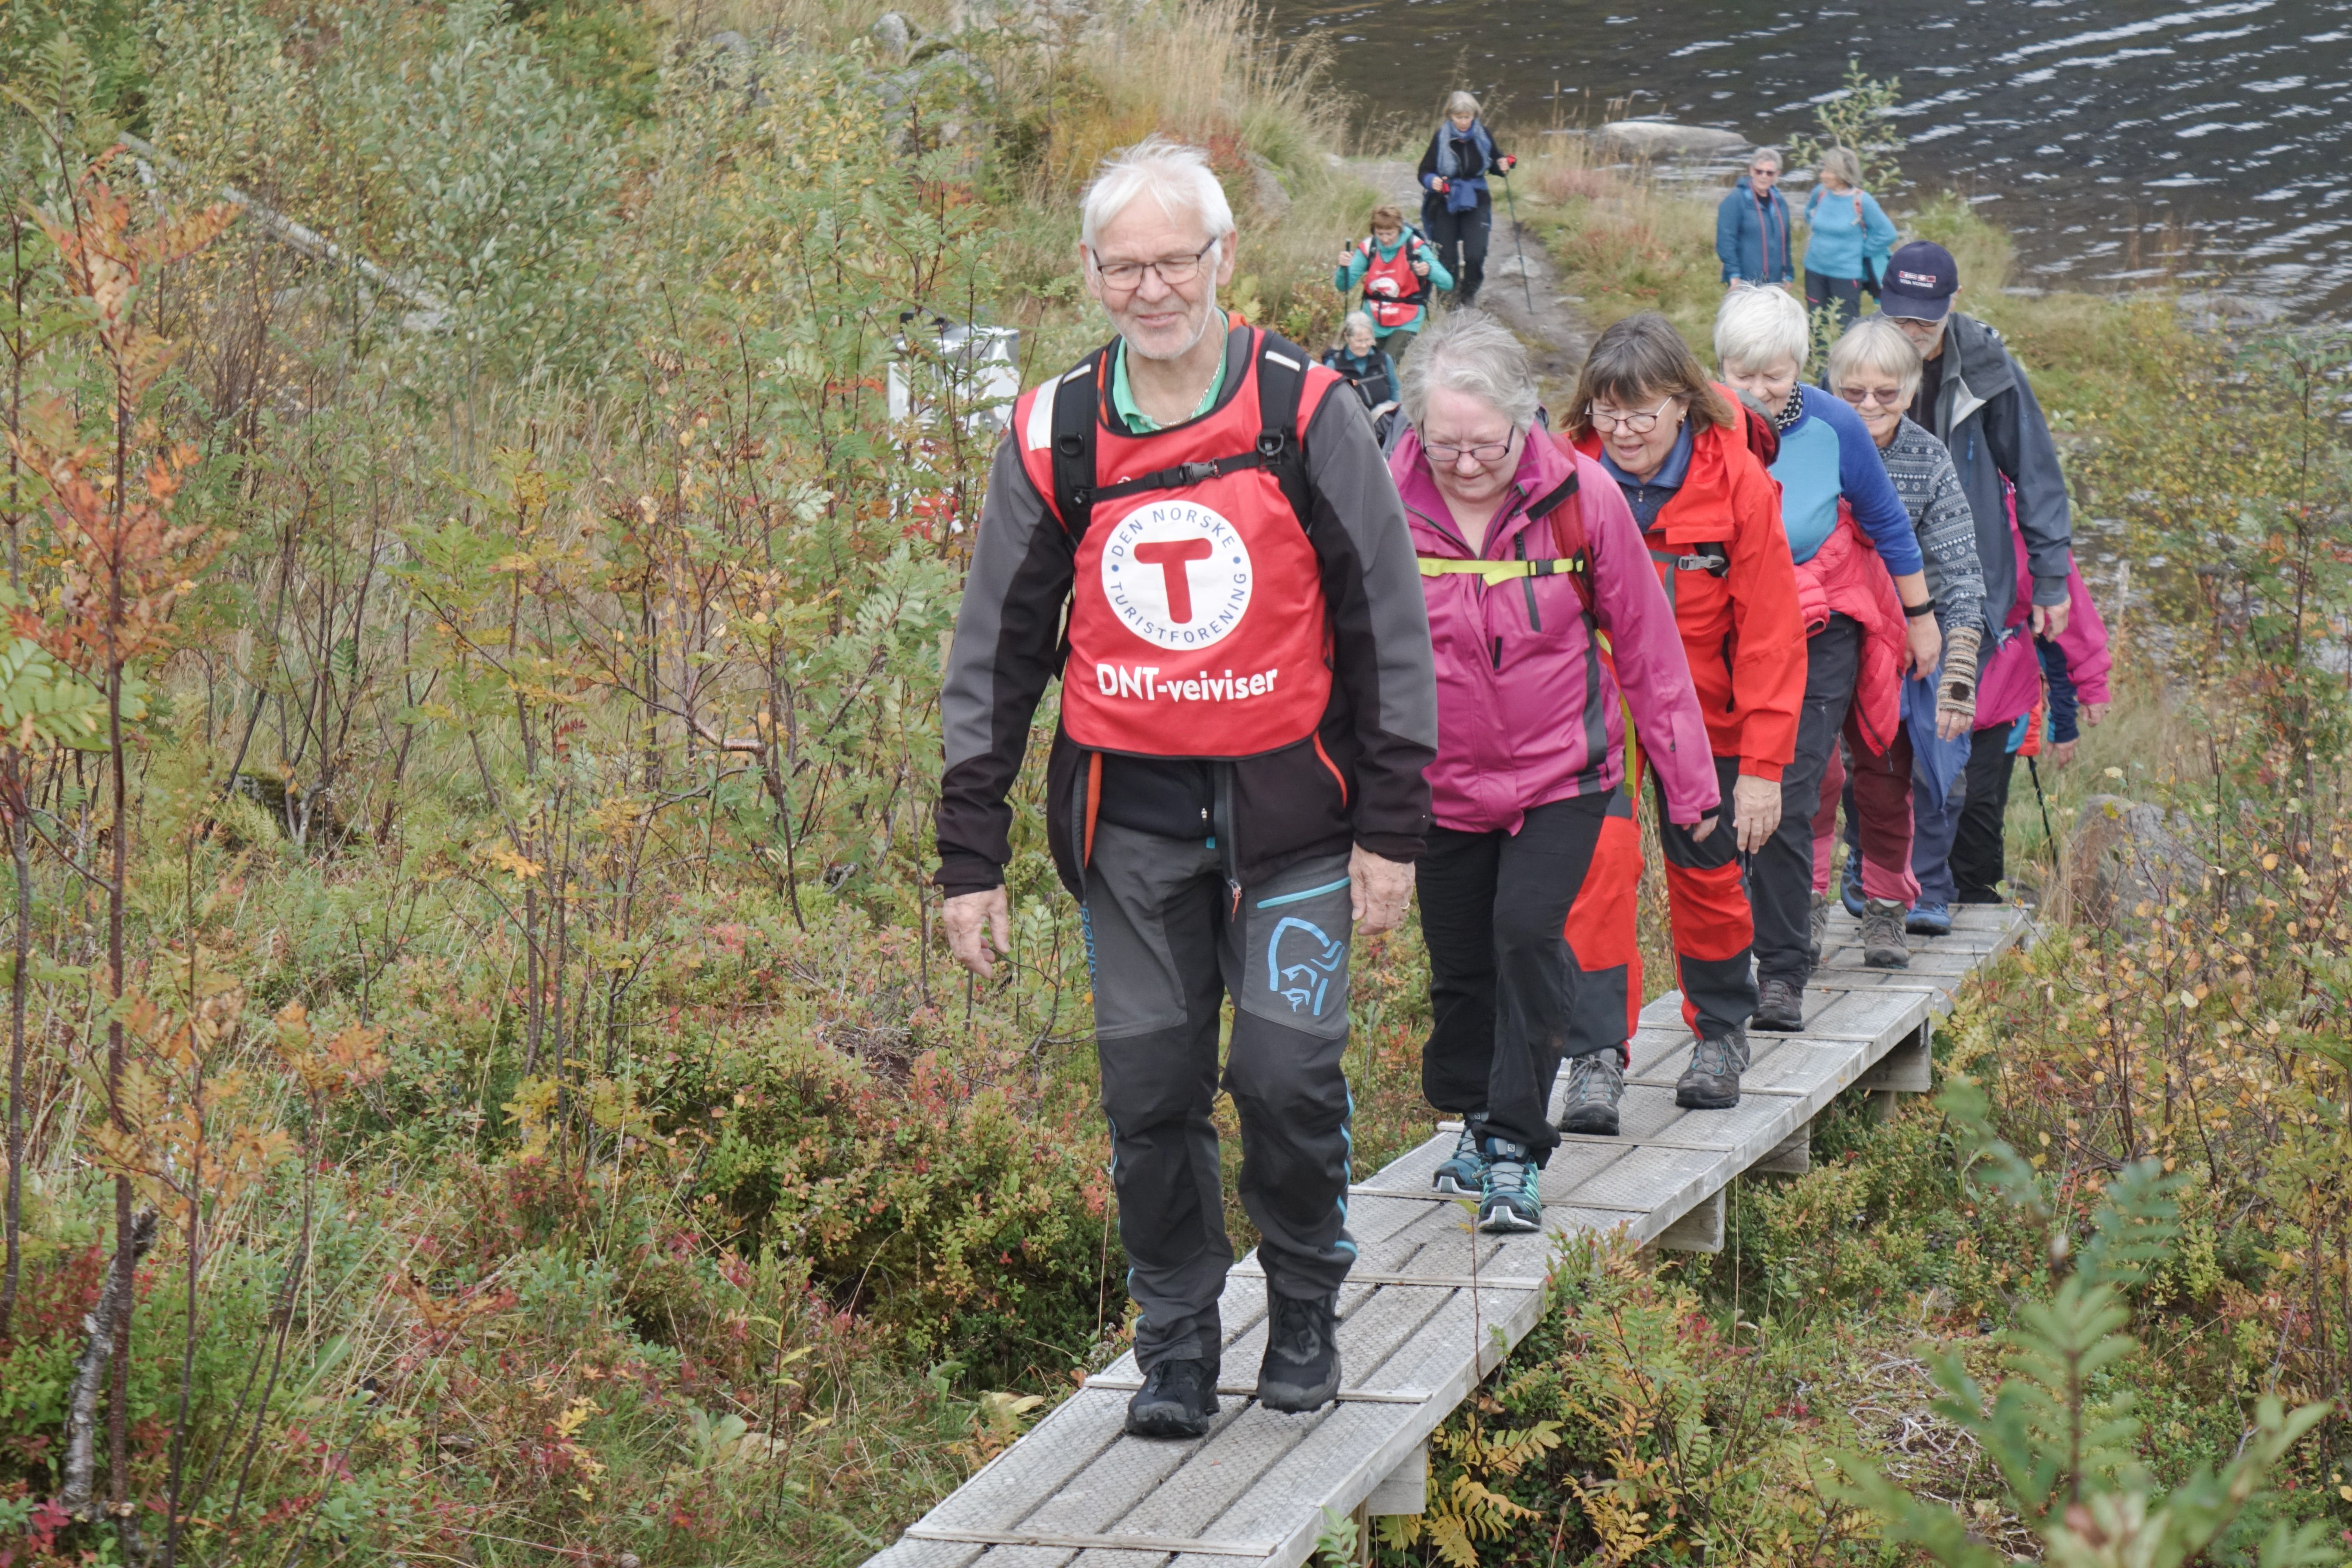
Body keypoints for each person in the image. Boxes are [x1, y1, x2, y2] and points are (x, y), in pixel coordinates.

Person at [934, 137, 1436, 1441]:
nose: (1152, 288)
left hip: (1297, 823)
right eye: (1124, 265)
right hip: (1134, 829)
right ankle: (1175, 1344)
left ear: (1224, 259)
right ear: (1091, 273)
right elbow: (995, 651)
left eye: (1174, 260)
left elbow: (1387, 625)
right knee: (1150, 1097)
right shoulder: (1060, 432)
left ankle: (1309, 1306)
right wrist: (968, 854)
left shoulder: (1307, 411)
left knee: (1285, 1079)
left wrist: (1394, 829)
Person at [1394, 311, 1719, 1231]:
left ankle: (1512, 1147)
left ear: (1524, 419)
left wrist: (1692, 789)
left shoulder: (1582, 497)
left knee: (1528, 934)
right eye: (1444, 444)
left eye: (1485, 445)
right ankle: (1468, 1115)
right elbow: (1352, 648)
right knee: (1460, 968)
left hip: (1562, 775)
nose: (1464, 464)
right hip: (1442, 783)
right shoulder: (1385, 499)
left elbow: (1652, 655)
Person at [1565, 314, 1805, 1115]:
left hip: (1705, 717)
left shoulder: (1734, 481)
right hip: (1593, 717)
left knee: (1708, 875)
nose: (1623, 430)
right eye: (1607, 411)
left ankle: (1720, 1034)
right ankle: (1596, 1050)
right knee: (1594, 875)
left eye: (1640, 412)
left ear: (1682, 404)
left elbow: (1771, 631)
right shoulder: (1566, 474)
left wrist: (1765, 768)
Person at [1713, 285, 1938, 1008]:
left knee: (1788, 784)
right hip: (1727, 626)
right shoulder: (1699, 423)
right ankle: (1734, 952)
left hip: (1821, 626)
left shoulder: (1836, 424)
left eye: (1772, 375)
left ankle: (1781, 970)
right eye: (1739, 373)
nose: (1754, 391)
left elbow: (1889, 525)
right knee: (1724, 795)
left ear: (1799, 366)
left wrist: (1923, 617)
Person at [1814, 316, 1988, 943]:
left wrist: (1960, 653)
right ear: (1831, 387)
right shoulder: (1810, 448)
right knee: (1831, 768)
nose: (1868, 406)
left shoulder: (1928, 458)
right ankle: (1861, 868)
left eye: (1885, 393)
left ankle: (1926, 884)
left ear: (1911, 391)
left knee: (1929, 759)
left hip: (1911, 633)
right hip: (1828, 628)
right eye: (1853, 392)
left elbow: (1961, 564)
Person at [1945, 518, 2110, 905]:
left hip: (1998, 687)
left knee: (1979, 801)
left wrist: (2082, 694)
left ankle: (1978, 904)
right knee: (1921, 797)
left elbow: (2061, 619)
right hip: (1921, 671)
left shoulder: (2024, 519)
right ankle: (1920, 894)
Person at [1418, 92, 1515, 308]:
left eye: (1467, 117)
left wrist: (1503, 165)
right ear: (1450, 115)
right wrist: (1432, 181)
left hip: (1477, 198)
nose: (1463, 122)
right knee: (1447, 255)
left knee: (1475, 254)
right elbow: (1424, 171)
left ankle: (1469, 292)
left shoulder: (1483, 135)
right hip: (1445, 201)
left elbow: (1494, 162)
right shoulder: (1441, 137)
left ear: (1475, 115)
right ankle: (1449, 298)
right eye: (1458, 117)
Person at [1801, 147, 1898, 332]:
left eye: (1828, 171)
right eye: (1824, 169)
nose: (1823, 175)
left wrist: (1859, 251)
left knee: (1847, 328)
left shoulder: (1862, 201)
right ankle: (1819, 361)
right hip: (1814, 271)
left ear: (1842, 174)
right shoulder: (1820, 194)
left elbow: (1887, 233)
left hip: (1845, 276)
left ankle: (1846, 362)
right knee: (1816, 325)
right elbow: (1809, 214)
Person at [1335, 203, 1450, 341]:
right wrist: (1344, 267)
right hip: (1373, 319)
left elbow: (1447, 283)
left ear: (1400, 229)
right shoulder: (1368, 247)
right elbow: (1343, 286)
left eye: (1390, 234)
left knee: (1388, 360)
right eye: (1380, 234)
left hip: (1408, 317)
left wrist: (1429, 271)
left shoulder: (1414, 246)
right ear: (1374, 231)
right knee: (1371, 362)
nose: (1385, 239)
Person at [1715, 148, 1794, 291]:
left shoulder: (1780, 203)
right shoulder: (1736, 200)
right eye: (1759, 171)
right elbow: (1726, 240)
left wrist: (1788, 273)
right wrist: (1734, 275)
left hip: (1775, 279)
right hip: (1745, 280)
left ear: (1777, 175)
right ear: (1752, 171)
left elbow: (1786, 242)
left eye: (1769, 173)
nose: (1764, 176)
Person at [1324, 311, 1402, 446]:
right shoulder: (1334, 366)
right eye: (1359, 341)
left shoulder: (1384, 360)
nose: (1365, 345)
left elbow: (1395, 390)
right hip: (1350, 430)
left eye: (1368, 340)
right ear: (1347, 338)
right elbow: (1327, 403)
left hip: (1384, 428)